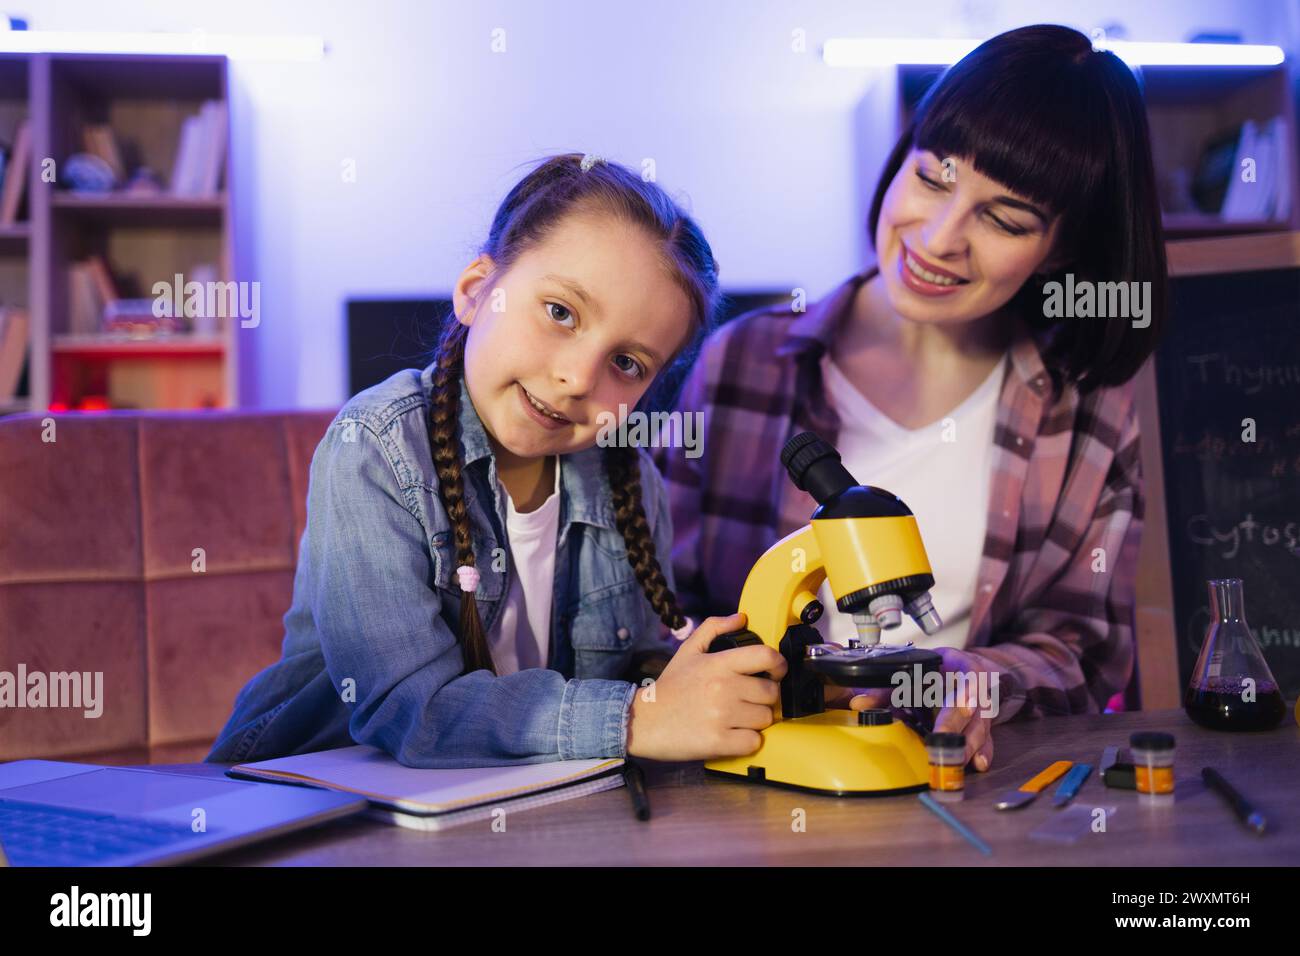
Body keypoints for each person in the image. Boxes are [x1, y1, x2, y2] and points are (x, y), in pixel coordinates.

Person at [655, 25, 1167, 773]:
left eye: (1005, 219)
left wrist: (969, 682)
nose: (939, 237)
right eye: (932, 177)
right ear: (903, 158)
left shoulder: (1089, 413)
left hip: (963, 780)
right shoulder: (745, 364)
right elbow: (660, 594)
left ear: (1059, 249)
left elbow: (1082, 648)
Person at [207, 154, 787, 768]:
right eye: (560, 312)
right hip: (310, 797)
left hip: (519, 807)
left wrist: (732, 690)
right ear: (476, 290)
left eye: (627, 363)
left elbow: (639, 665)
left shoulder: (629, 478)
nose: (575, 378)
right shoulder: (373, 447)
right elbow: (409, 711)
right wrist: (638, 718)